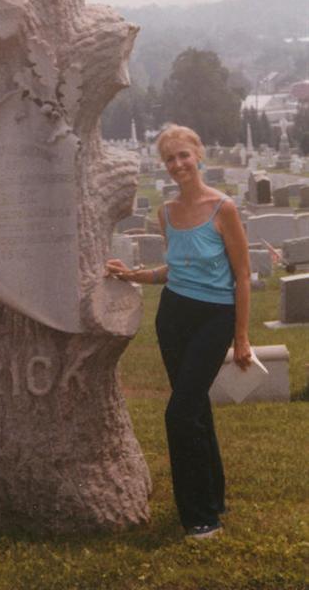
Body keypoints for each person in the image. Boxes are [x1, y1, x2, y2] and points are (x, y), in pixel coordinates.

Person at [106, 124, 252, 540]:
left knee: (180, 412)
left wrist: (240, 337)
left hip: (214, 318)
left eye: (183, 155)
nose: (177, 164)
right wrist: (134, 274)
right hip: (173, 318)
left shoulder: (223, 208)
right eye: (170, 159)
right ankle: (214, 495)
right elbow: (179, 269)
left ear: (199, 154)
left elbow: (241, 276)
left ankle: (200, 517)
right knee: (197, 410)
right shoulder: (166, 213)